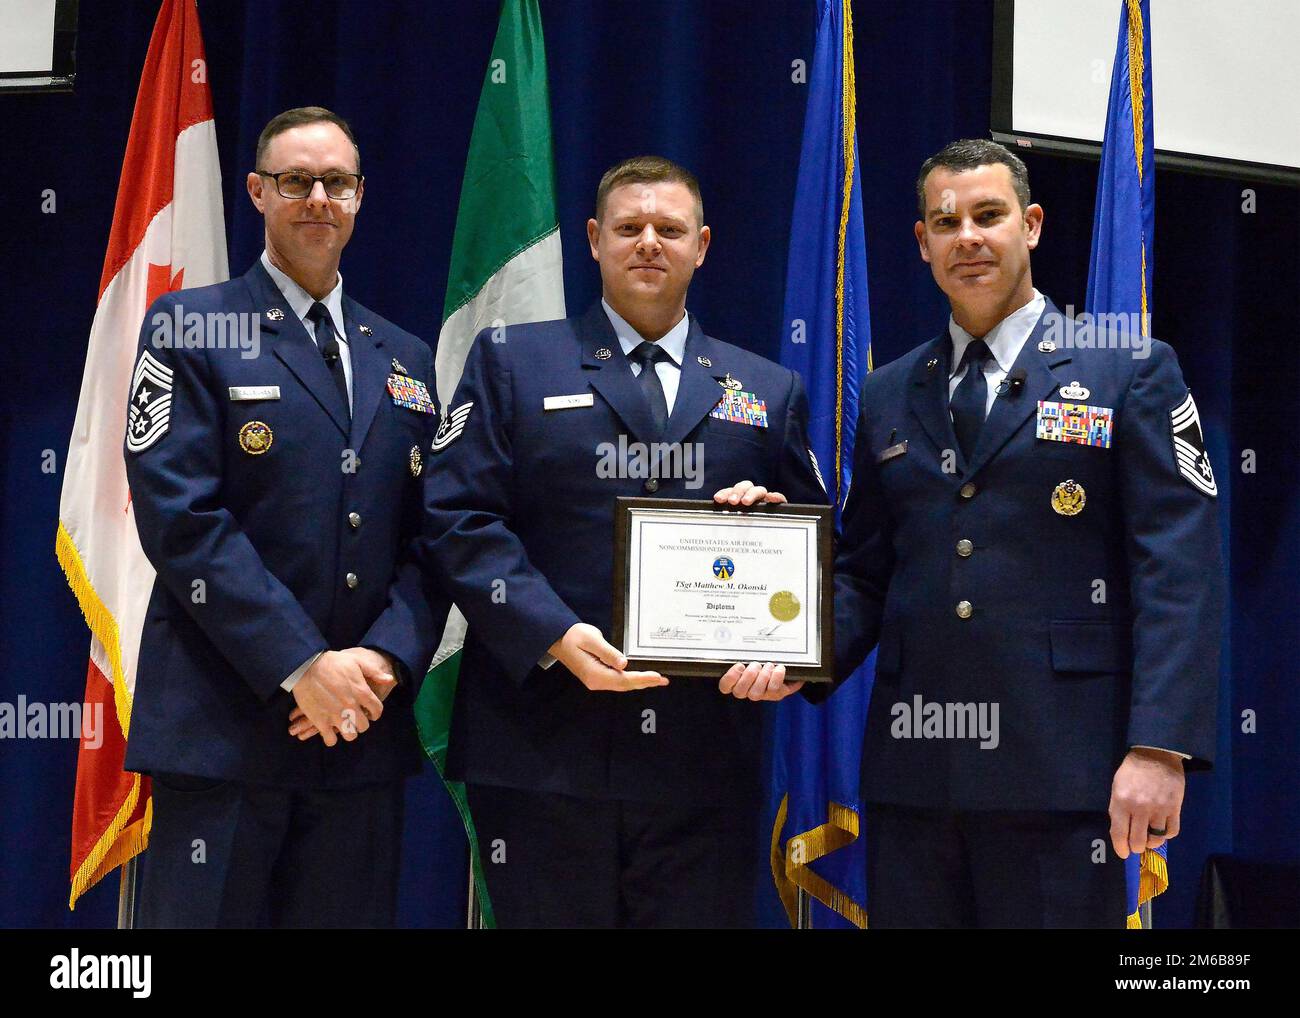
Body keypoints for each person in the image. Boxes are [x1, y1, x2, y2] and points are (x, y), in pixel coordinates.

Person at [720, 138, 1224, 927]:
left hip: (1063, 772)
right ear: (922, 243)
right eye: (945, 222)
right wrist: (793, 647)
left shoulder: (1129, 366)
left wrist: (1160, 746)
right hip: (917, 777)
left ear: (1031, 224)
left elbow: (1179, 571)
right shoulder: (890, 391)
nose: (969, 238)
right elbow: (864, 572)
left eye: (988, 216)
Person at [417, 156, 826, 928]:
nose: (649, 243)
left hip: (704, 758)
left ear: (701, 245)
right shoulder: (512, 361)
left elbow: (816, 559)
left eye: (669, 230)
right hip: (542, 745)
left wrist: (772, 547)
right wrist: (553, 634)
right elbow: (456, 514)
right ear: (595, 239)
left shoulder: (768, 389)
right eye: (629, 228)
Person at [124, 106, 445, 927]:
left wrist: (378, 663)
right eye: (296, 181)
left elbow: (434, 535)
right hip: (226, 728)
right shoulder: (192, 326)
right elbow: (181, 519)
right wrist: (305, 663)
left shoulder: (404, 354)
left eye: (336, 182)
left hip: (358, 735)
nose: (317, 199)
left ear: (360, 196)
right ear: (258, 192)